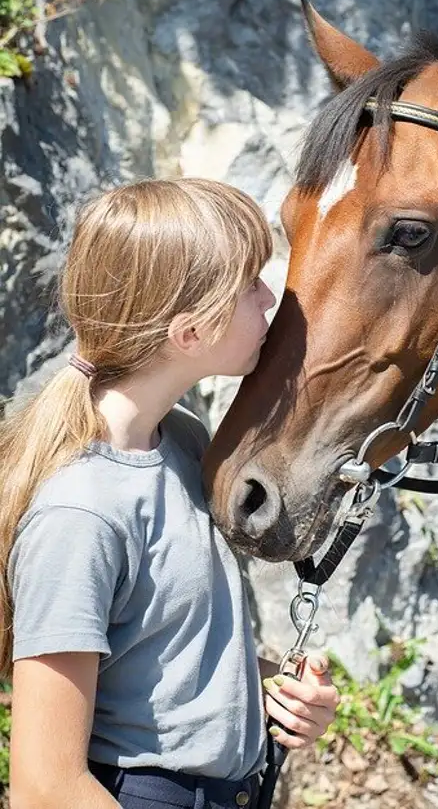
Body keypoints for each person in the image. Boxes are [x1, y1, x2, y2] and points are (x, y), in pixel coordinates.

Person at [1, 178, 339, 809]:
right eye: (250, 286)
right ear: (189, 332)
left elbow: (155, 663)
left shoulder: (182, 440)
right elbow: (46, 788)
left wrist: (265, 688)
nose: (272, 299)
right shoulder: (81, 513)